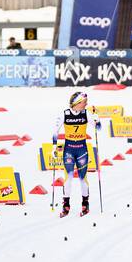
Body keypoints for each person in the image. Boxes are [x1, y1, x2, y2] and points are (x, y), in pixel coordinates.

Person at [55, 90, 96, 218]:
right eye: (84, 102)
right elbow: (54, 131)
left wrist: (97, 119)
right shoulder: (65, 114)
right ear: (77, 103)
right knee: (68, 179)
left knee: (83, 178)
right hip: (69, 150)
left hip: (82, 150)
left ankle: (85, 204)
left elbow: (97, 127)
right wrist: (53, 146)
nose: (86, 104)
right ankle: (66, 205)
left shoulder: (86, 114)